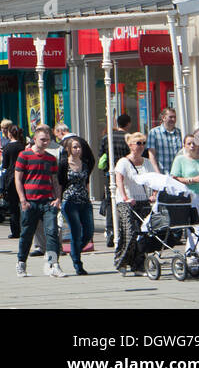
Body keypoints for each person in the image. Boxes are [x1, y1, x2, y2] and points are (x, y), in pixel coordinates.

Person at [14, 125, 64, 277]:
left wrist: (57, 198)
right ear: (35, 139)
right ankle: (21, 263)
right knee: (27, 233)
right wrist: (23, 200)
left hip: (47, 201)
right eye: (43, 139)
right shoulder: (24, 155)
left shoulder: (51, 158)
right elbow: (18, 179)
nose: (46, 142)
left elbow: (55, 180)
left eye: (48, 140)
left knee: (52, 232)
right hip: (30, 202)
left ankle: (53, 264)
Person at [113, 132, 157, 276]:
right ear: (131, 145)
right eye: (138, 143)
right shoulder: (123, 162)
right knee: (130, 232)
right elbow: (119, 180)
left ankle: (138, 264)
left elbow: (154, 178)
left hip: (142, 201)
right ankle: (122, 261)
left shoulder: (147, 162)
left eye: (143, 143)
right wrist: (125, 197)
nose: (141, 146)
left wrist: (154, 194)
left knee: (142, 234)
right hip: (126, 202)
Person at [171, 131, 199, 259]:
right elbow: (173, 177)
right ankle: (193, 253)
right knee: (192, 226)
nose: (192, 146)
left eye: (194, 143)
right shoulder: (180, 159)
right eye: (189, 143)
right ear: (184, 145)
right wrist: (191, 180)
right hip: (188, 196)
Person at [57, 135, 95, 276]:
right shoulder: (64, 164)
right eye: (75, 147)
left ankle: (75, 251)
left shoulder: (85, 163)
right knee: (76, 231)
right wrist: (58, 199)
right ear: (69, 149)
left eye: (79, 147)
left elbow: (87, 181)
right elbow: (60, 183)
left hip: (84, 200)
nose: (78, 149)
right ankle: (78, 264)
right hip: (70, 200)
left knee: (89, 231)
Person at [99, 112, 131, 246]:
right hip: (126, 174)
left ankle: (111, 230)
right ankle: (125, 229)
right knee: (126, 200)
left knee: (111, 202)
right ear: (128, 124)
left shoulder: (107, 137)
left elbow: (102, 156)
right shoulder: (128, 138)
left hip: (111, 174)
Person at [0, 126, 26, 240]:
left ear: (10, 134)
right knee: (25, 203)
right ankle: (26, 228)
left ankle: (15, 231)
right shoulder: (23, 147)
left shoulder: (7, 147)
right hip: (24, 176)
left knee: (13, 206)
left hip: (11, 177)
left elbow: (5, 165)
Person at [146, 107, 183, 177]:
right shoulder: (154, 133)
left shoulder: (180, 133)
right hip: (162, 174)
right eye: (171, 117)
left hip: (178, 175)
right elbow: (152, 156)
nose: (173, 119)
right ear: (163, 118)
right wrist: (158, 174)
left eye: (175, 117)